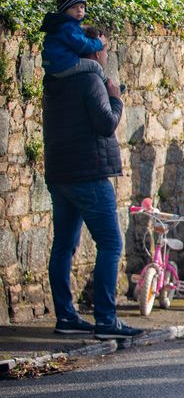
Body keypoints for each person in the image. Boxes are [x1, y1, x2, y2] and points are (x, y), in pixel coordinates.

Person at [43, 41, 142, 340]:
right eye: (105, 50)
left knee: (63, 245)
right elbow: (106, 123)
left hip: (60, 174)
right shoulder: (91, 79)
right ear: (97, 53)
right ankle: (106, 320)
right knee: (111, 244)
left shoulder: (54, 81)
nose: (106, 54)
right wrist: (116, 99)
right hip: (90, 173)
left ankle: (66, 316)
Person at [40, 0, 106, 79]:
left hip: (53, 65)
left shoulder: (60, 24)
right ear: (64, 10)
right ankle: (107, 86)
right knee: (94, 66)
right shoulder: (68, 27)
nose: (79, 10)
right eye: (73, 7)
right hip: (63, 64)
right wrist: (99, 43)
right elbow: (83, 45)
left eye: (82, 7)